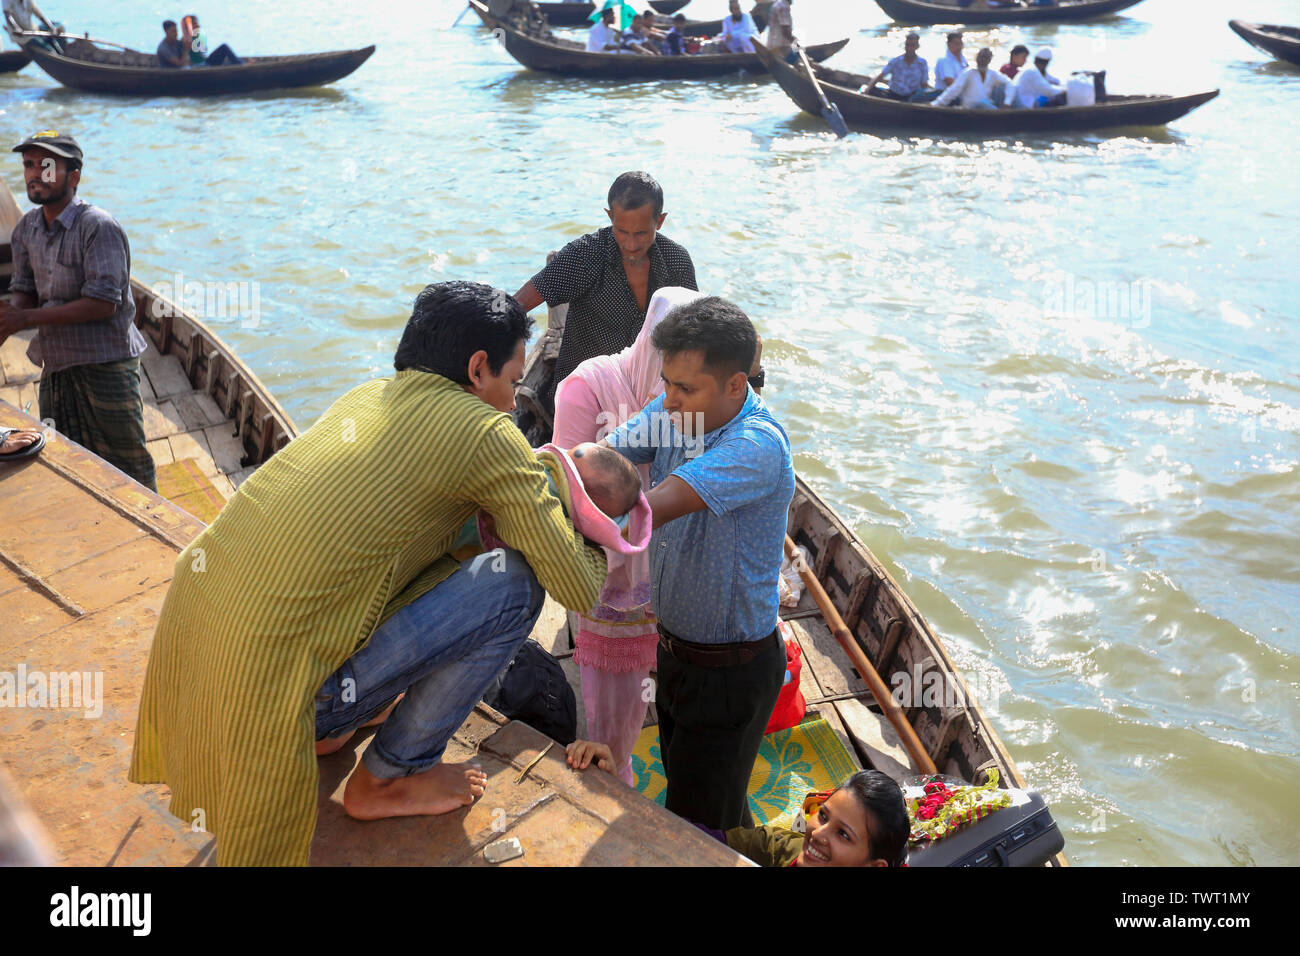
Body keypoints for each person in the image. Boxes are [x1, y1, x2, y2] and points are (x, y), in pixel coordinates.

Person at [129, 281, 608, 866]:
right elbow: (579, 588)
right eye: (511, 382)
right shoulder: (488, 434)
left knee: (410, 549)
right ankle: (388, 775)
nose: (513, 402)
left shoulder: (364, 399)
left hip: (201, 656)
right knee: (515, 582)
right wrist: (600, 524)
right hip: (277, 692)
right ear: (478, 369)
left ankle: (333, 722)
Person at [604, 296, 794, 831]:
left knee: (695, 824)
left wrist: (581, 532)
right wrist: (553, 474)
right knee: (714, 801)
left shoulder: (757, 445)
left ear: (736, 385)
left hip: (731, 672)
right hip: (676, 654)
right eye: (666, 382)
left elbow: (656, 505)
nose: (667, 400)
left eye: (685, 388)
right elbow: (609, 455)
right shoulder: (671, 412)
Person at [553, 286, 704, 787]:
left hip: (671, 559)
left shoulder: (692, 403)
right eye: (670, 366)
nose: (677, 387)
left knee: (658, 677)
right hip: (611, 572)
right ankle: (612, 769)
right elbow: (574, 491)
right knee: (613, 688)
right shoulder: (586, 388)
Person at [1, 132, 155, 491]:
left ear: (73, 177)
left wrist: (25, 319)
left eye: (47, 166)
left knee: (129, 464)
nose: (35, 174)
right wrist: (9, 319)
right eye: (28, 165)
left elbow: (103, 304)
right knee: (68, 459)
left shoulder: (98, 226)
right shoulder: (26, 229)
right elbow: (23, 292)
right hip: (57, 367)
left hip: (106, 366)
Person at [512, 171, 697, 410]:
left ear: (659, 222)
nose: (631, 245)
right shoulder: (585, 256)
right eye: (622, 231)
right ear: (610, 217)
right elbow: (516, 305)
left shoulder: (675, 261)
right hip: (585, 394)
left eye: (641, 233)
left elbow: (695, 332)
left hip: (650, 399)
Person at [932, 47, 1014, 109]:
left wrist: (1007, 103)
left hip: (987, 106)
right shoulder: (968, 72)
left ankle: (999, 112)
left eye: (986, 58)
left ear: (989, 60)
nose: (982, 60)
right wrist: (936, 104)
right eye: (981, 57)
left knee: (1000, 88)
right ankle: (998, 113)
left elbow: (1010, 83)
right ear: (977, 58)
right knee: (982, 103)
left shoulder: (993, 74)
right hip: (971, 107)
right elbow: (954, 90)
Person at [866, 32, 931, 102]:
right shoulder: (896, 61)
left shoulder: (922, 63)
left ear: (917, 47)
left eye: (912, 45)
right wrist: (868, 88)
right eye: (907, 45)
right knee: (872, 90)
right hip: (893, 94)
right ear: (905, 46)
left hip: (911, 97)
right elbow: (881, 75)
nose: (909, 48)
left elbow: (924, 84)